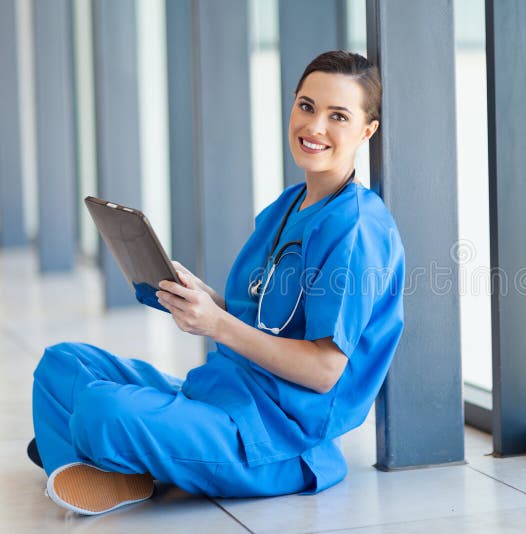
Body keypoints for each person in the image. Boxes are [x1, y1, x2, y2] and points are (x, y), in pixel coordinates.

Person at [29, 50, 405, 515]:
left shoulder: (356, 230)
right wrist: (207, 300)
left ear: (366, 131)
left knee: (99, 410)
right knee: (61, 364)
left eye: (338, 116)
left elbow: (325, 370)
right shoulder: (291, 205)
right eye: (306, 106)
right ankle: (100, 466)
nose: (315, 127)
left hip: (274, 439)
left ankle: (96, 457)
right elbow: (269, 320)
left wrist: (216, 325)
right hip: (220, 393)